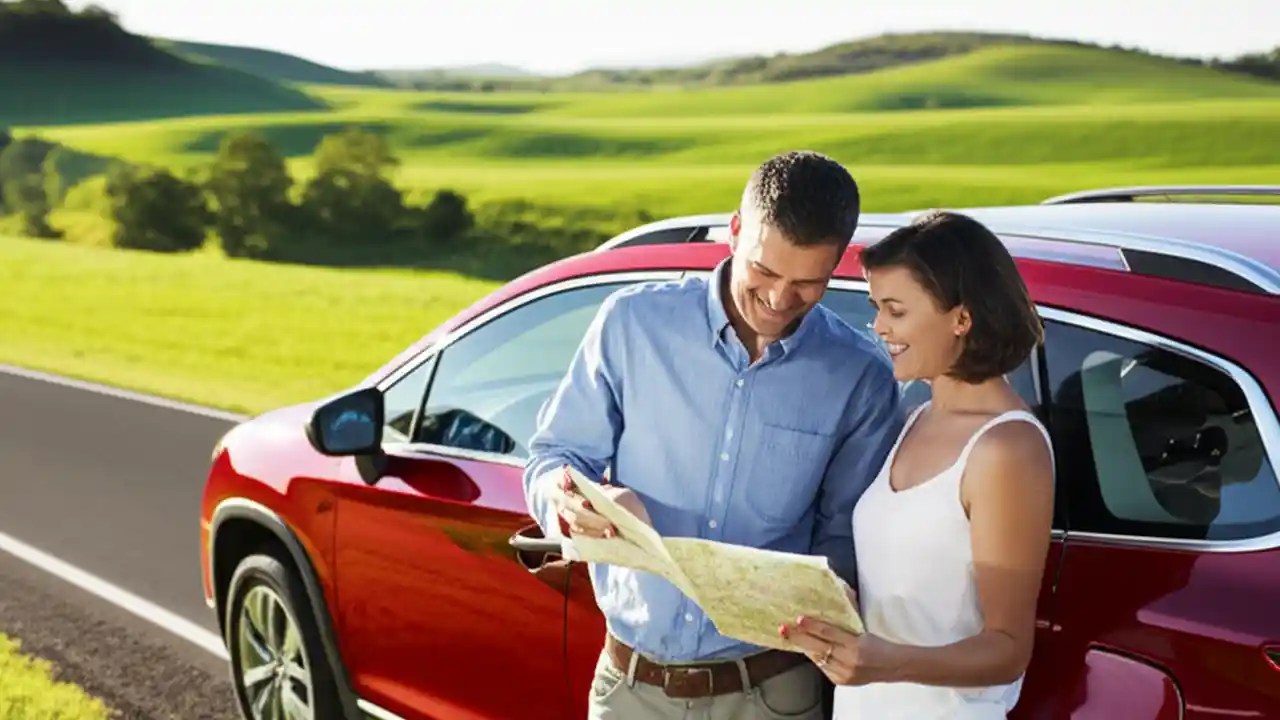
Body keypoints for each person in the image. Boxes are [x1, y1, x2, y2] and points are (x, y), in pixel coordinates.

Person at [521, 150, 904, 720]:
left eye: (808, 283)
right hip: (629, 689)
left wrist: (834, 595)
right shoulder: (631, 326)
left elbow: (846, 542)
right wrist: (568, 500)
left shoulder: (860, 376)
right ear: (733, 232)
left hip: (772, 695)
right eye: (765, 272)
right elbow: (554, 457)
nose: (779, 301)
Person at [780, 210, 1055, 719]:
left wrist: (890, 664)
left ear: (962, 318)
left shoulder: (1007, 450)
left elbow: (1008, 649)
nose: (879, 327)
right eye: (876, 308)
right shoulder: (914, 418)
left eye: (896, 310)